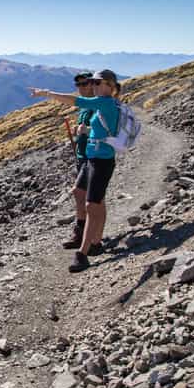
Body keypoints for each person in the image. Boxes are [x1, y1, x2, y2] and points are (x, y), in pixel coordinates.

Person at [30, 69, 121, 272]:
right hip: (91, 158)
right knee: (81, 194)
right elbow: (104, 129)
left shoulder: (105, 102)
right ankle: (94, 242)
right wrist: (87, 131)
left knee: (92, 205)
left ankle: (83, 253)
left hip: (102, 161)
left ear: (108, 85)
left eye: (96, 83)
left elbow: (76, 102)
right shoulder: (104, 102)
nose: (93, 86)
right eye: (93, 83)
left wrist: (46, 93)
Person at [62, 72, 95, 249]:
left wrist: (85, 131)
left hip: (93, 156)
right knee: (89, 196)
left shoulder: (97, 104)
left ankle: (83, 234)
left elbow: (103, 128)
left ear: (92, 83)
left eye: (84, 84)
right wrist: (77, 130)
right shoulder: (84, 106)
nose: (81, 88)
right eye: (78, 85)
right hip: (83, 155)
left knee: (80, 193)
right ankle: (90, 235)